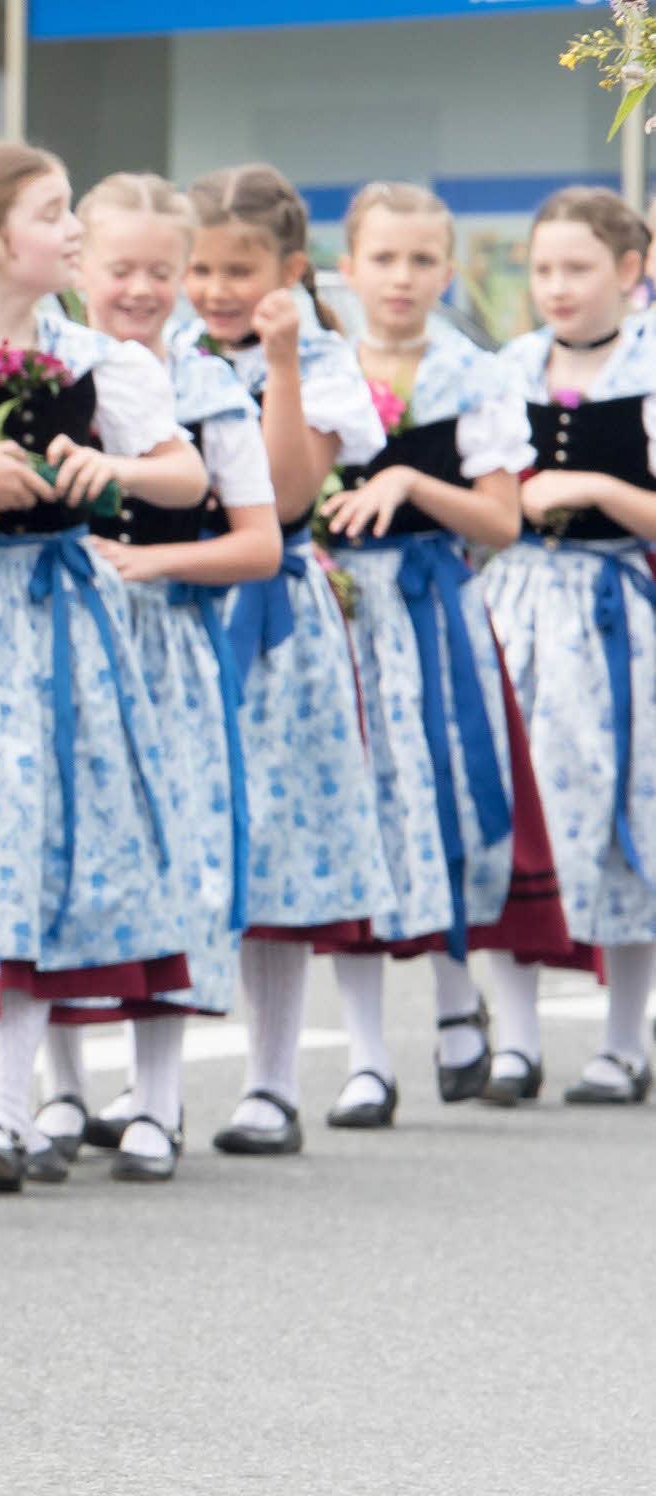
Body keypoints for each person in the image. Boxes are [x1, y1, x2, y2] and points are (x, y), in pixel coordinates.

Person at [0, 141, 209, 1190]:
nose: (74, 230)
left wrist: (113, 465)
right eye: (53, 212)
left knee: (32, 840)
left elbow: (183, 472)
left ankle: (3, 1104)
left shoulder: (99, 361)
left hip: (57, 615)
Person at [41, 172, 282, 1180]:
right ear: (77, 266)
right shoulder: (34, 370)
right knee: (52, 844)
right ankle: (54, 1086)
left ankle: (159, 1096)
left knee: (171, 856)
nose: (138, 288)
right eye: (118, 267)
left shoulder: (209, 387)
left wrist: (153, 560)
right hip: (57, 636)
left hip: (164, 647)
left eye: (160, 269)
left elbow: (259, 545)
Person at [162, 163, 395, 1156]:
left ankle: (268, 1081)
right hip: (170, 606)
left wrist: (285, 360)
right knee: (171, 832)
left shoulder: (321, 360)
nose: (215, 289)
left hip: (276, 617)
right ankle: (147, 1083)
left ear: (291, 271)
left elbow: (291, 492)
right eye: (199, 266)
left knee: (279, 846)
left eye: (239, 268)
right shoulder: (158, 350)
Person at [319, 181, 558, 1130]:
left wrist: (413, 479)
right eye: (383, 259)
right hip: (339, 614)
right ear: (348, 270)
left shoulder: (473, 374)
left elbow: (502, 521)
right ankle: (368, 1058)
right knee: (356, 816)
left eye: (422, 261)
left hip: (435, 611)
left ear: (449, 271)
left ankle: (463, 1000)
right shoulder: (325, 369)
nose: (402, 278)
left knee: (454, 800)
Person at [478, 186, 656, 1105]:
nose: (555, 286)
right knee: (516, 808)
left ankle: (624, 1040)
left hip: (618, 614)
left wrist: (591, 484)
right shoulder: (509, 366)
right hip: (514, 606)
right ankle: (514, 1038)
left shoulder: (650, 369)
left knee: (628, 814)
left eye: (578, 268)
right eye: (543, 268)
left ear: (630, 272)